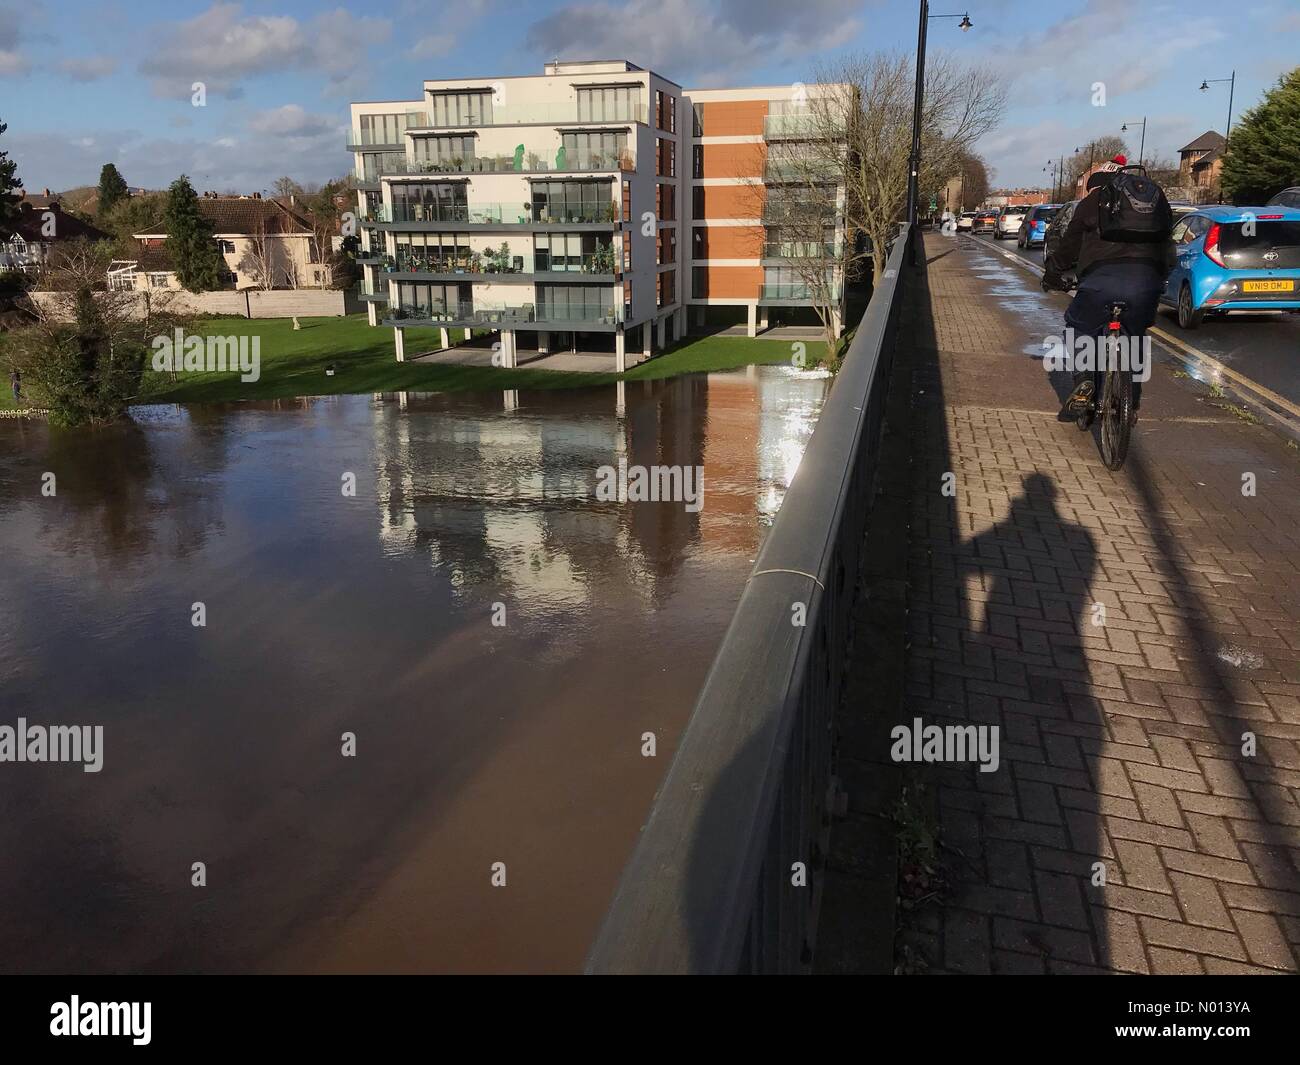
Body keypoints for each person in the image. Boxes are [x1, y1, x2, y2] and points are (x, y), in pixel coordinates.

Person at [1042, 156, 1176, 421]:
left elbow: (1069, 245)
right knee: (1135, 335)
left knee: (1079, 325)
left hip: (1100, 281)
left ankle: (1084, 379)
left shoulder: (1092, 203)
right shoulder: (1155, 204)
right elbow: (1167, 248)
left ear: (1096, 187)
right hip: (1145, 282)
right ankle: (1131, 404)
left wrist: (1053, 273)